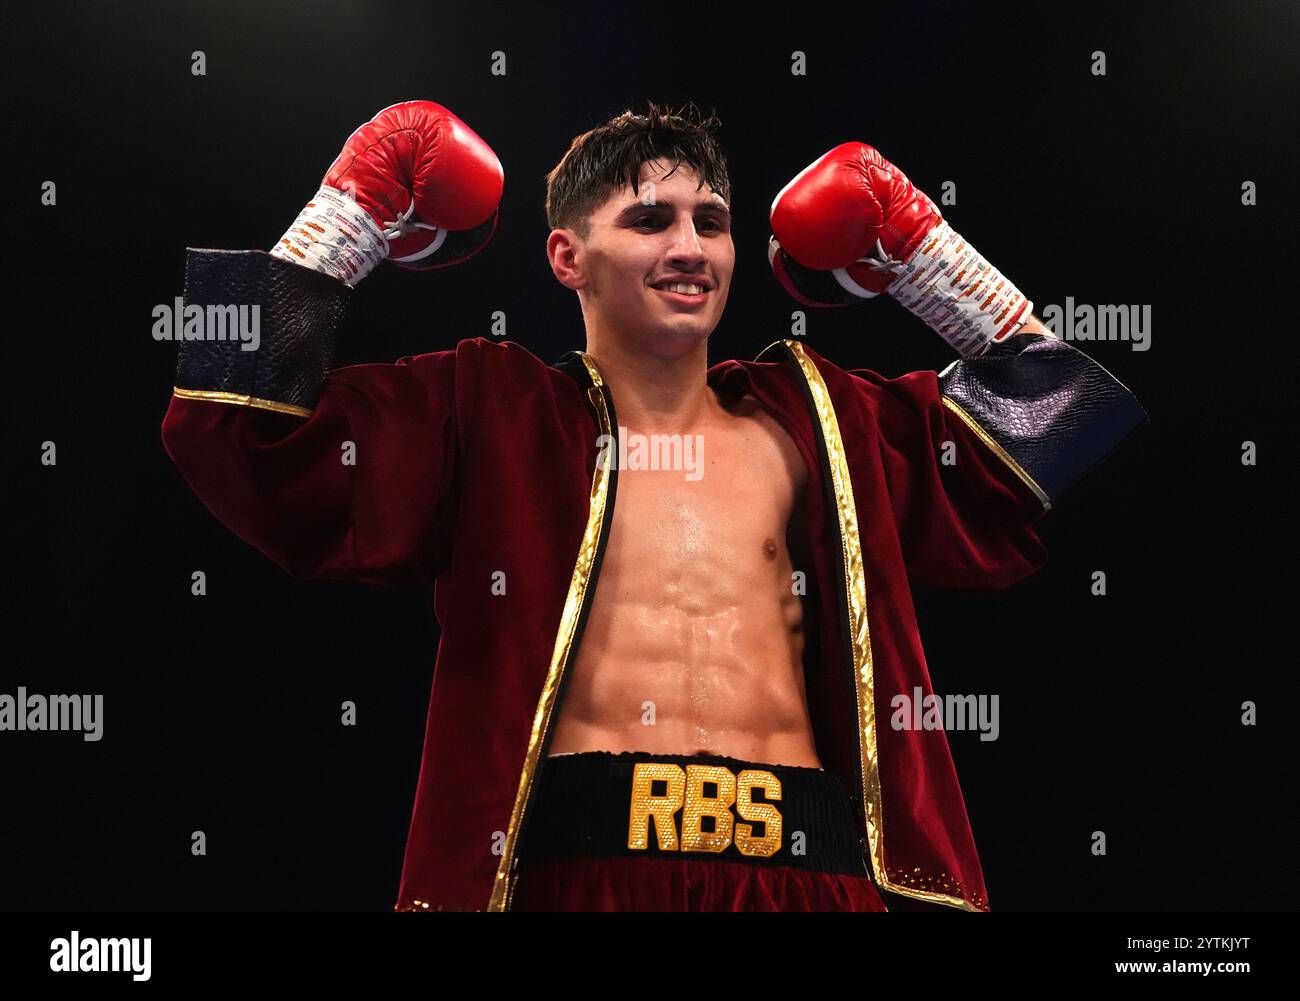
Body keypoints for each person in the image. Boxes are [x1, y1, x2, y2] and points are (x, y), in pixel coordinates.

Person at [160, 99, 1147, 912]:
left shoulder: (826, 419)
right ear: (565, 257)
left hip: (813, 875)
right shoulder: (491, 409)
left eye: (710, 222)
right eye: (649, 220)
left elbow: (1055, 426)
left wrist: (927, 254)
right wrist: (352, 208)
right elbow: (239, 439)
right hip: (573, 871)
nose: (691, 246)